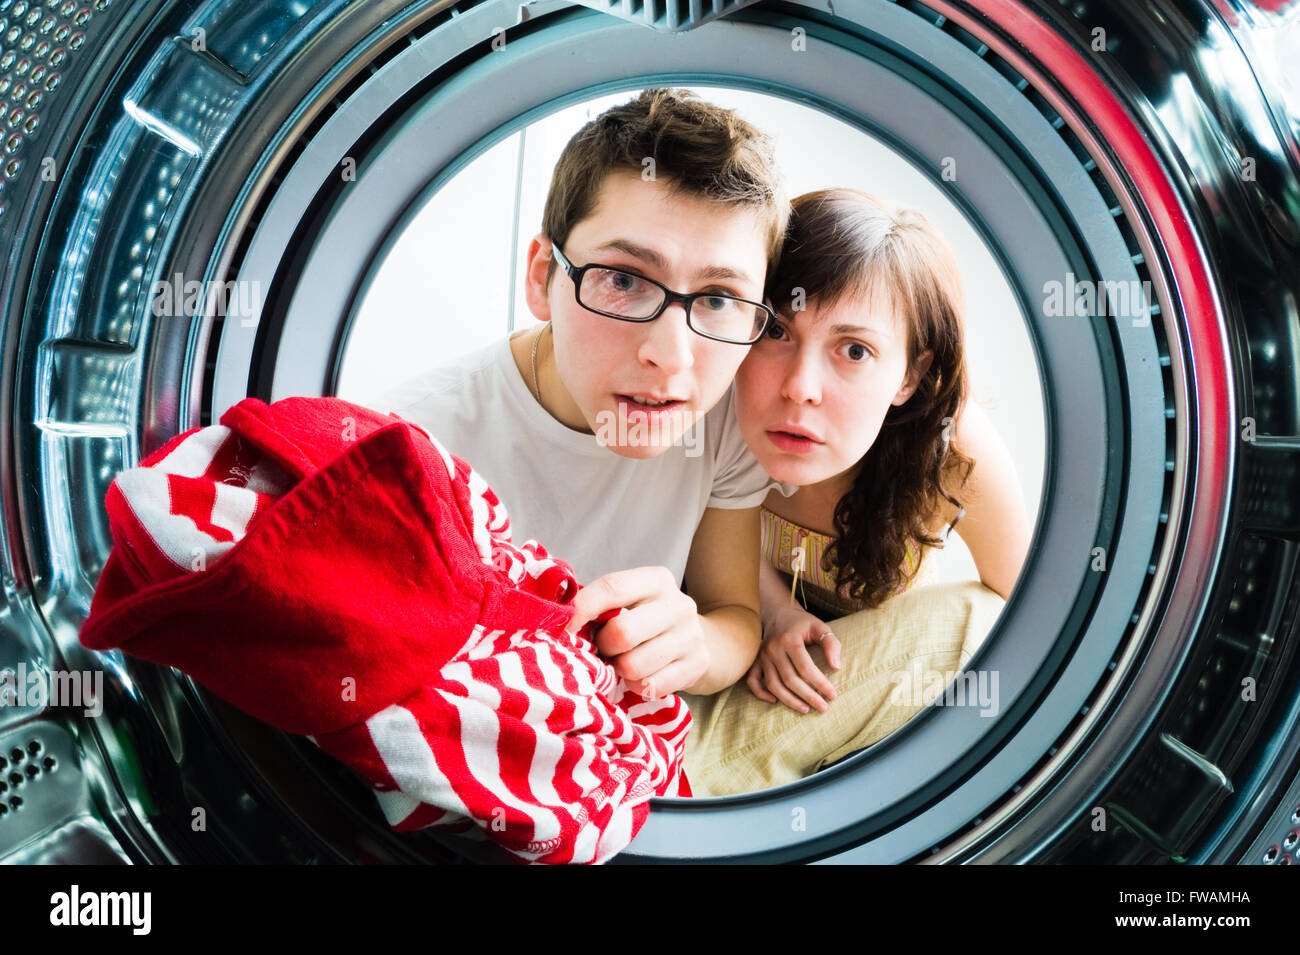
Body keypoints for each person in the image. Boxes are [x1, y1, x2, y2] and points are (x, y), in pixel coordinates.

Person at [377, 94, 1013, 800]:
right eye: (622, 280)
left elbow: (728, 614)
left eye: (717, 298)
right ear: (541, 277)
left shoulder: (715, 406)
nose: (670, 356)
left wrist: (699, 642)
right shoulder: (412, 441)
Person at [676, 188, 1030, 794]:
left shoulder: (950, 450)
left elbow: (1035, 607)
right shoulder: (714, 394)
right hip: (715, 643)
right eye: (778, 332)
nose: (800, 388)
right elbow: (702, 537)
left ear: (910, 376)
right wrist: (775, 613)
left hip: (848, 688)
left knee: (979, 620)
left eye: (855, 350)